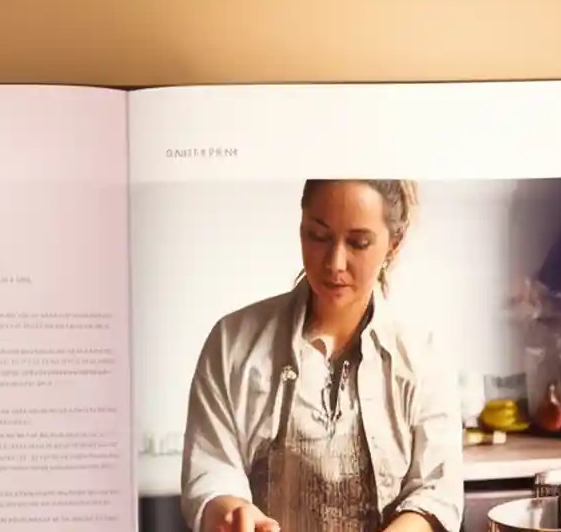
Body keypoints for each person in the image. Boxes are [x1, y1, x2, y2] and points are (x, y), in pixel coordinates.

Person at [179, 179, 463, 532]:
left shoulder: (423, 355)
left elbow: (437, 491)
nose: (335, 262)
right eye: (318, 236)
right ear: (301, 228)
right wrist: (231, 512)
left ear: (394, 244)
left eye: (358, 243)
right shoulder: (232, 342)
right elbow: (212, 471)